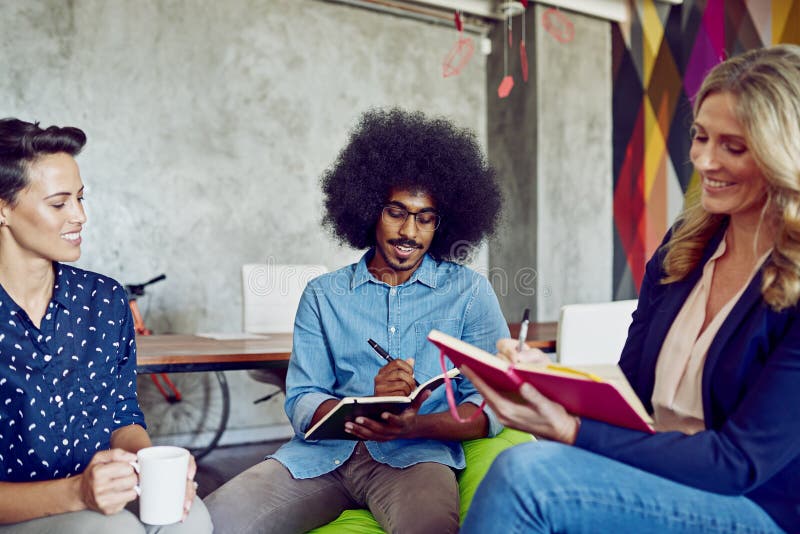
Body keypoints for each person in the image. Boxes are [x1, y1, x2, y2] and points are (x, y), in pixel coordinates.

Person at [459, 44, 800, 534]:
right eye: (701, 136)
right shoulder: (682, 252)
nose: (704, 160)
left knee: (528, 477)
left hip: (756, 506)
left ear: (784, 154)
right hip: (659, 479)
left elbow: (739, 464)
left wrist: (571, 430)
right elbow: (633, 394)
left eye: (734, 146)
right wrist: (549, 378)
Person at [206, 108, 509, 533]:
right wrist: (365, 408)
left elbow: (491, 403)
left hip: (416, 458)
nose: (410, 232)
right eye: (396, 212)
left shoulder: (469, 293)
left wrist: (412, 426)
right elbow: (303, 397)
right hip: (320, 459)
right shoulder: (323, 295)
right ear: (368, 209)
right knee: (208, 521)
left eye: (425, 218)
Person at [0, 118, 212, 533]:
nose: (80, 216)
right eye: (59, 204)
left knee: (189, 519)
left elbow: (122, 416)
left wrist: (150, 468)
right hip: (22, 511)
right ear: (3, 208)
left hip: (98, 494)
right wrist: (78, 493)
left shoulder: (104, 299)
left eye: (80, 198)